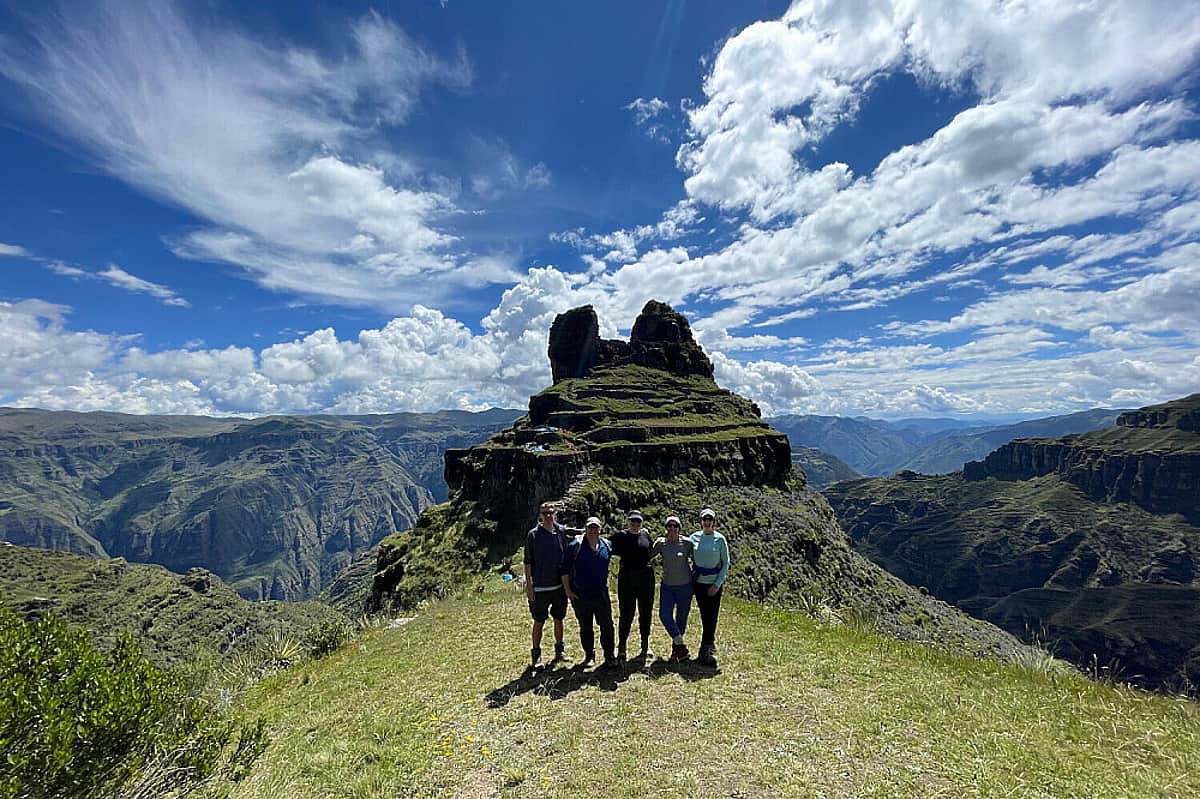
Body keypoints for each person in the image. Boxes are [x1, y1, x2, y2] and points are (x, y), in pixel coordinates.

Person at [561, 516, 616, 668]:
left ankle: (610, 655)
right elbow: (564, 570)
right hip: (581, 595)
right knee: (586, 626)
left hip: (601, 594)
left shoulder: (606, 545)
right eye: (590, 528)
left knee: (607, 625)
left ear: (600, 529)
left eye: (595, 528)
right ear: (585, 529)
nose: (593, 531)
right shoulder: (575, 546)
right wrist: (568, 592)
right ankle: (589, 655)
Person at [523, 501, 569, 671]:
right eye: (545, 513)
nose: (548, 516)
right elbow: (527, 562)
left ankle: (560, 651)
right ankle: (536, 656)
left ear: (555, 514)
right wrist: (529, 586)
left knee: (559, 619)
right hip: (540, 588)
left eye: (551, 512)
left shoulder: (560, 532)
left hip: (558, 587)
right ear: (540, 515)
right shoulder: (533, 535)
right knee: (539, 621)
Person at [609, 509, 655, 660]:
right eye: (632, 521)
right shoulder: (620, 536)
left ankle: (645, 645)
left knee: (646, 613)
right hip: (627, 577)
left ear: (642, 523)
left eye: (638, 521)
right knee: (626, 613)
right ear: (628, 521)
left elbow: (650, 551)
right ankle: (622, 646)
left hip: (645, 577)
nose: (635, 524)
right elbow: (605, 546)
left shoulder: (646, 535)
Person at [690, 507, 730, 667]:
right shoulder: (693, 538)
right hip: (699, 583)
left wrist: (717, 583)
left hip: (713, 584)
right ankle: (708, 646)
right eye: (704, 520)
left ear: (714, 522)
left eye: (710, 520)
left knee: (711, 617)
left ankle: (705, 650)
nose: (707, 523)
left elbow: (726, 563)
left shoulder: (720, 540)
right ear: (701, 521)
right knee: (705, 616)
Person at [652, 515, 694, 662]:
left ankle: (677, 653)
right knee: (665, 615)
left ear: (679, 529)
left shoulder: (687, 543)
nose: (672, 529)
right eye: (669, 525)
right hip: (667, 587)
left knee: (681, 619)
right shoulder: (660, 543)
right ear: (665, 528)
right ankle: (680, 644)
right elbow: (647, 556)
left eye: (675, 526)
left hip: (685, 586)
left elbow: (697, 560)